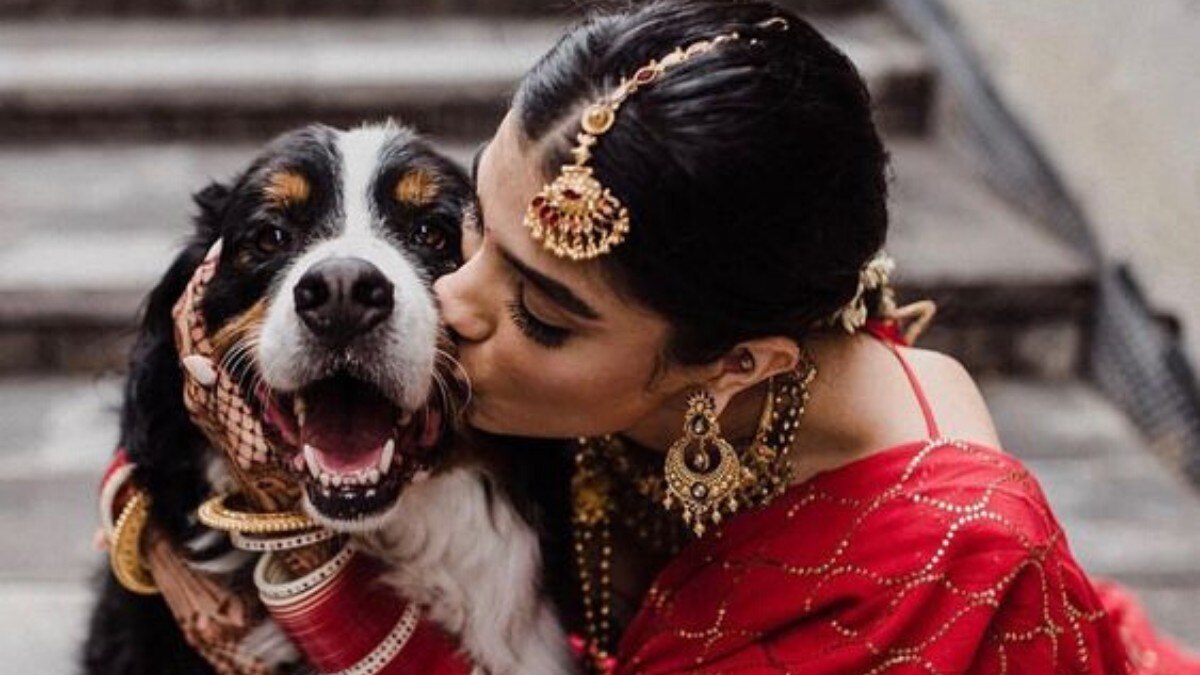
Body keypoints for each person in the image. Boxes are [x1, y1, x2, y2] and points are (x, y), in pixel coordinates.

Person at [259, 1, 1200, 672]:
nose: (456, 305)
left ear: (738, 365)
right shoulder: (682, 361)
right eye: (474, 232)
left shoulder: (934, 578)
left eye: (542, 314)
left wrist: (327, 607)